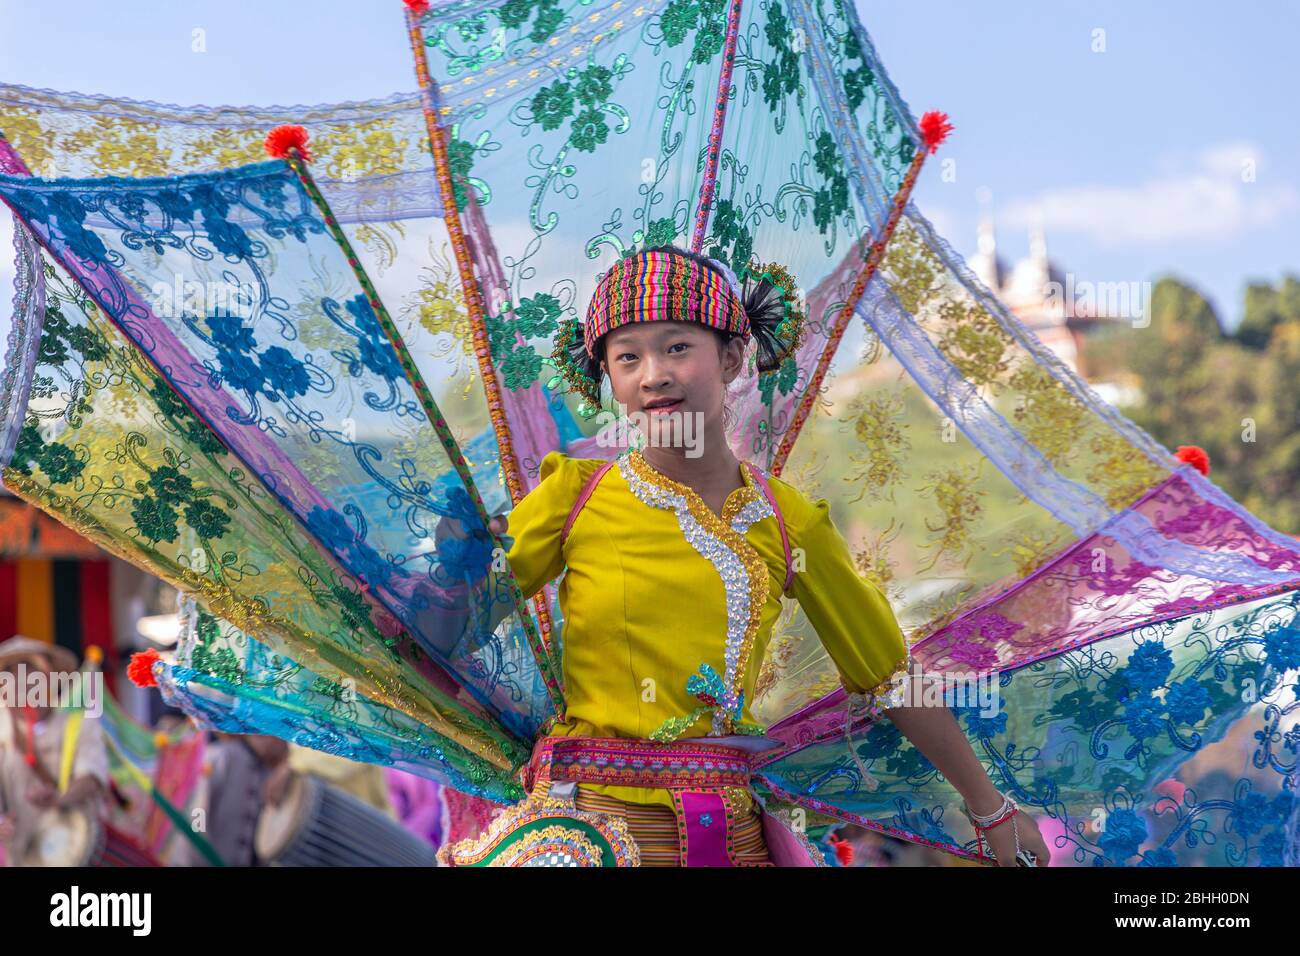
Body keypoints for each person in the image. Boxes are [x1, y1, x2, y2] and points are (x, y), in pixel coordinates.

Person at [438, 245, 1051, 867]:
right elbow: (451, 632)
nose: (653, 374)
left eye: (677, 347)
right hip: (582, 831)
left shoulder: (790, 523)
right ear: (611, 380)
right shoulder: (574, 495)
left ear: (732, 357)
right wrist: (455, 564)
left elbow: (890, 677)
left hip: (724, 838)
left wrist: (988, 805)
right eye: (627, 358)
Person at [0, 635, 109, 865]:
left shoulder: (80, 724)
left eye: (31, 674)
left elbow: (91, 777)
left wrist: (60, 799)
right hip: (21, 855)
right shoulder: (3, 736)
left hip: (77, 852)